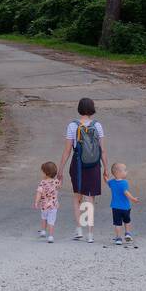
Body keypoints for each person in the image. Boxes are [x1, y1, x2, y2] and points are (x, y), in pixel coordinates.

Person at [58, 96, 107, 242]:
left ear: (79, 109)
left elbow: (67, 150)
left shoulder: (72, 126)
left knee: (77, 196)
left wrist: (60, 169)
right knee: (89, 197)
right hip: (93, 165)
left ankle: (79, 229)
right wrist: (105, 168)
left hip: (78, 164)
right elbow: (102, 150)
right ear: (92, 109)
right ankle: (90, 234)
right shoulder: (98, 126)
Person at [105, 162, 138, 246]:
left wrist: (104, 177)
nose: (126, 172)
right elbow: (126, 193)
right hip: (125, 207)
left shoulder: (112, 182)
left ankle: (118, 238)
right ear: (119, 173)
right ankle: (127, 233)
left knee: (117, 223)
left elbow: (107, 181)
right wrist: (133, 199)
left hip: (115, 207)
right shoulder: (124, 182)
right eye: (125, 170)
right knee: (127, 221)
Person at [33, 161, 61, 243]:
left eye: (43, 172)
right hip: (53, 206)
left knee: (44, 218)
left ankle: (43, 231)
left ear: (46, 173)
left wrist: (36, 202)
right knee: (51, 221)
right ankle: (51, 236)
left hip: (44, 205)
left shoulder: (42, 183)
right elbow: (59, 186)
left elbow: (39, 193)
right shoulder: (56, 182)